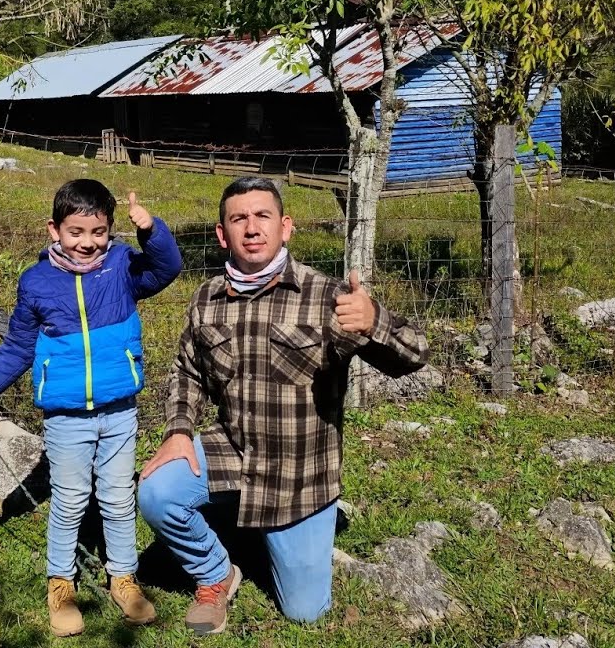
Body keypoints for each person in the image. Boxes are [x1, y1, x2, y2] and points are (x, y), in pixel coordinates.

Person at [137, 176, 429, 636]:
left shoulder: (326, 295)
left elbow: (415, 355)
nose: (252, 228)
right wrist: (177, 431)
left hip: (300, 477)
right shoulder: (206, 298)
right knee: (156, 491)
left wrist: (375, 323)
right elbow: (187, 372)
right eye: (239, 219)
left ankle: (274, 533)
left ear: (285, 226)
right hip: (233, 449)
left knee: (304, 612)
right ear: (222, 234)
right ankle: (217, 573)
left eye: (262, 216)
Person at [0, 179, 182, 637]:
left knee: (119, 498)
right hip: (66, 416)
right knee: (69, 501)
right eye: (76, 232)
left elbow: (166, 269)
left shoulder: (122, 266)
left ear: (110, 230)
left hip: (119, 408)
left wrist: (151, 232)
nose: (87, 243)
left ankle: (123, 577)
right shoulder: (37, 281)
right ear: (54, 229)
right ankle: (60, 584)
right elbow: (20, 344)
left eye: (99, 232)